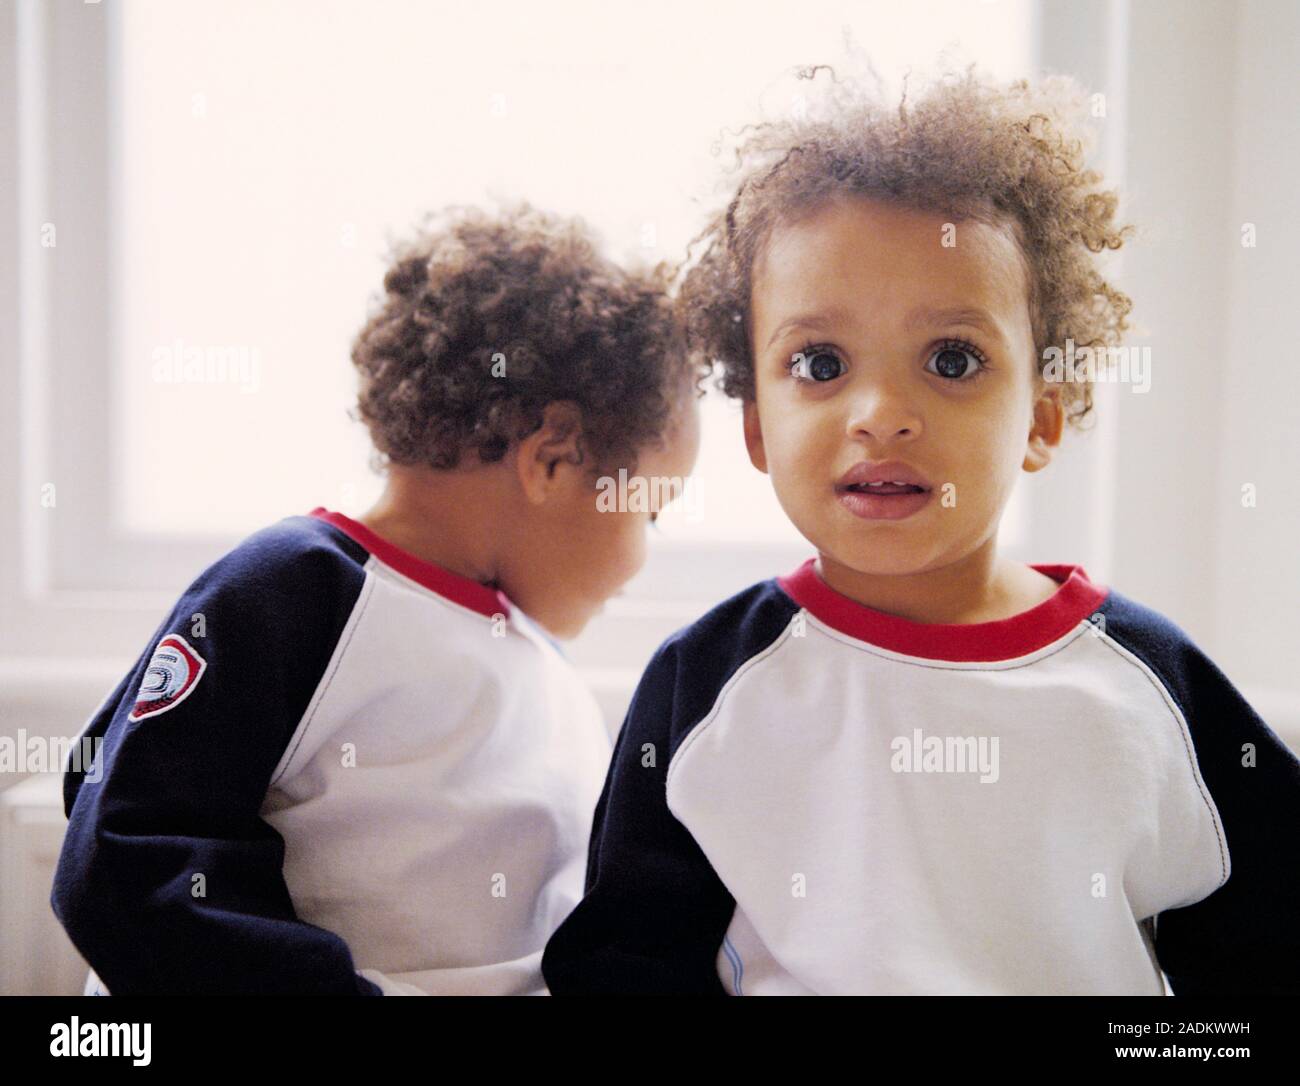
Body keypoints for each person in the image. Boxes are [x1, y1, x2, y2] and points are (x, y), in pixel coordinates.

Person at [541, 68, 1300, 995]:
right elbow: (621, 965)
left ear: (1041, 418)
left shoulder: (1150, 687)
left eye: (952, 359)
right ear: (755, 428)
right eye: (819, 363)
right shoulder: (705, 684)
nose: (880, 413)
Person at [51, 203, 703, 995]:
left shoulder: (541, 669)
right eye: (651, 511)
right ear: (555, 459)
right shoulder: (297, 588)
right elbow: (125, 849)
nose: (642, 556)